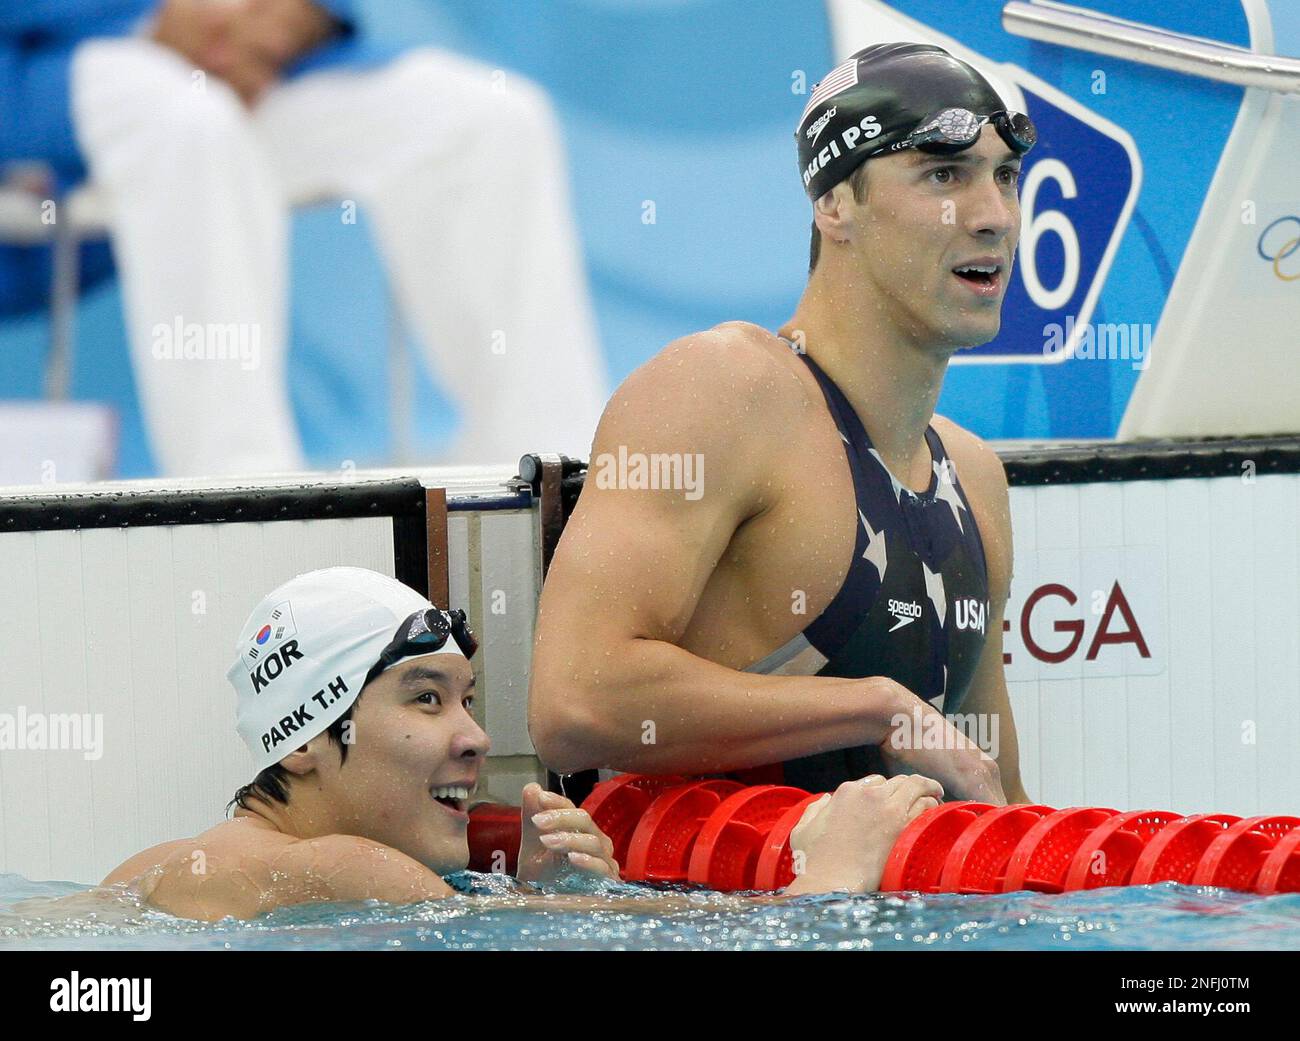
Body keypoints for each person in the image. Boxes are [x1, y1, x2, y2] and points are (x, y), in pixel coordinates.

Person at [529, 43, 1035, 804]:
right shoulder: (721, 391)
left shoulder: (975, 478)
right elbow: (574, 701)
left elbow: (999, 803)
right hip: (712, 914)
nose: (994, 216)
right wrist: (879, 706)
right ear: (836, 204)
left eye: (1004, 176)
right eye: (943, 174)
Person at [102, 567, 945, 921]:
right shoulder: (348, 866)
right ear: (306, 739)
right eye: (426, 699)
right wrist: (830, 880)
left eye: (467, 701)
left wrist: (520, 897)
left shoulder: (148, 870)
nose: (475, 738)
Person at [1, 0, 606, 474]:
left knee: (487, 120)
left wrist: (284, 15)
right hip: (44, 56)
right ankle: (240, 492)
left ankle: (549, 474)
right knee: (190, 122)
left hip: (245, 55)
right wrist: (165, 16)